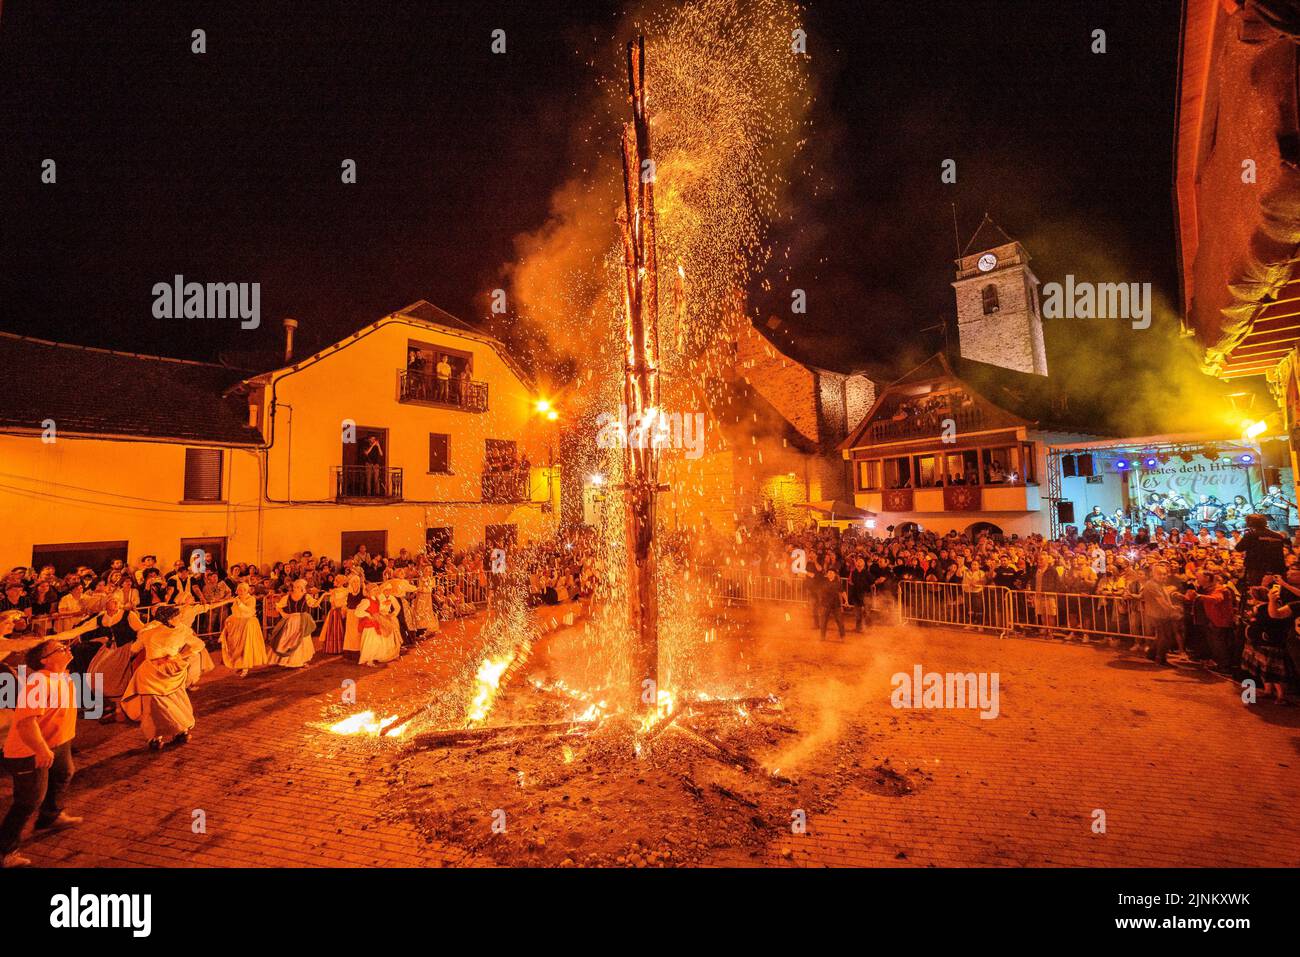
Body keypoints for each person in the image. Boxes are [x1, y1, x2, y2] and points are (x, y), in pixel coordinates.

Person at [0, 632, 96, 868]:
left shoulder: (62, 676)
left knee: (64, 773)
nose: (66, 649)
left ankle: (50, 816)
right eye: (59, 648)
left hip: (57, 742)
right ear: (44, 660)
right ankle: (5, 851)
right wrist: (41, 749)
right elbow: (25, 722)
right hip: (28, 749)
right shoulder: (39, 682)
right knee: (29, 799)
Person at [119, 597, 236, 750]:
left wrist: (177, 655)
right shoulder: (173, 631)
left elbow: (134, 648)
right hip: (167, 670)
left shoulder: (154, 632)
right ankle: (177, 731)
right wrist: (180, 656)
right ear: (167, 618)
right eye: (176, 616)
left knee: (155, 705)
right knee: (173, 701)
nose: (179, 618)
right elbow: (198, 645)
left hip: (156, 672)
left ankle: (160, 736)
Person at [266, 580, 320, 668]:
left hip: (302, 620)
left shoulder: (306, 597)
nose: (296, 588)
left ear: (302, 588)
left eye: (298, 587)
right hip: (291, 620)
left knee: (302, 640)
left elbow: (314, 604)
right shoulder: (288, 597)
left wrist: (323, 596)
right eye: (295, 587)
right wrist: (283, 613)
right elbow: (278, 606)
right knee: (287, 639)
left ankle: (301, 660)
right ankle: (284, 659)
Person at [220, 583, 268, 676]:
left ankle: (245, 667)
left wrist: (239, 603)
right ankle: (239, 664)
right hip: (235, 624)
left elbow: (248, 611)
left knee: (245, 645)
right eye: (239, 590)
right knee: (234, 645)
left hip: (248, 624)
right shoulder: (236, 599)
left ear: (247, 591)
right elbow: (234, 611)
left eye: (243, 590)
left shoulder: (251, 599)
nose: (241, 592)